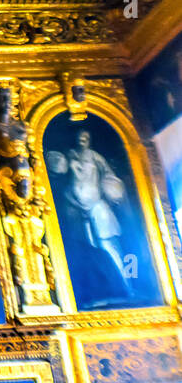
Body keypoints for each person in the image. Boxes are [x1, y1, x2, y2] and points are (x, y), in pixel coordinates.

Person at [46, 129, 133, 301]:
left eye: (86, 137)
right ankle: (92, 292)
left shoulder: (96, 157)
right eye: (79, 137)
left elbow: (109, 177)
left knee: (107, 244)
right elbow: (57, 167)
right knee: (82, 250)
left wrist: (113, 190)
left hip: (97, 206)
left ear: (90, 139)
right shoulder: (69, 156)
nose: (82, 140)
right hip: (74, 208)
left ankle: (125, 286)